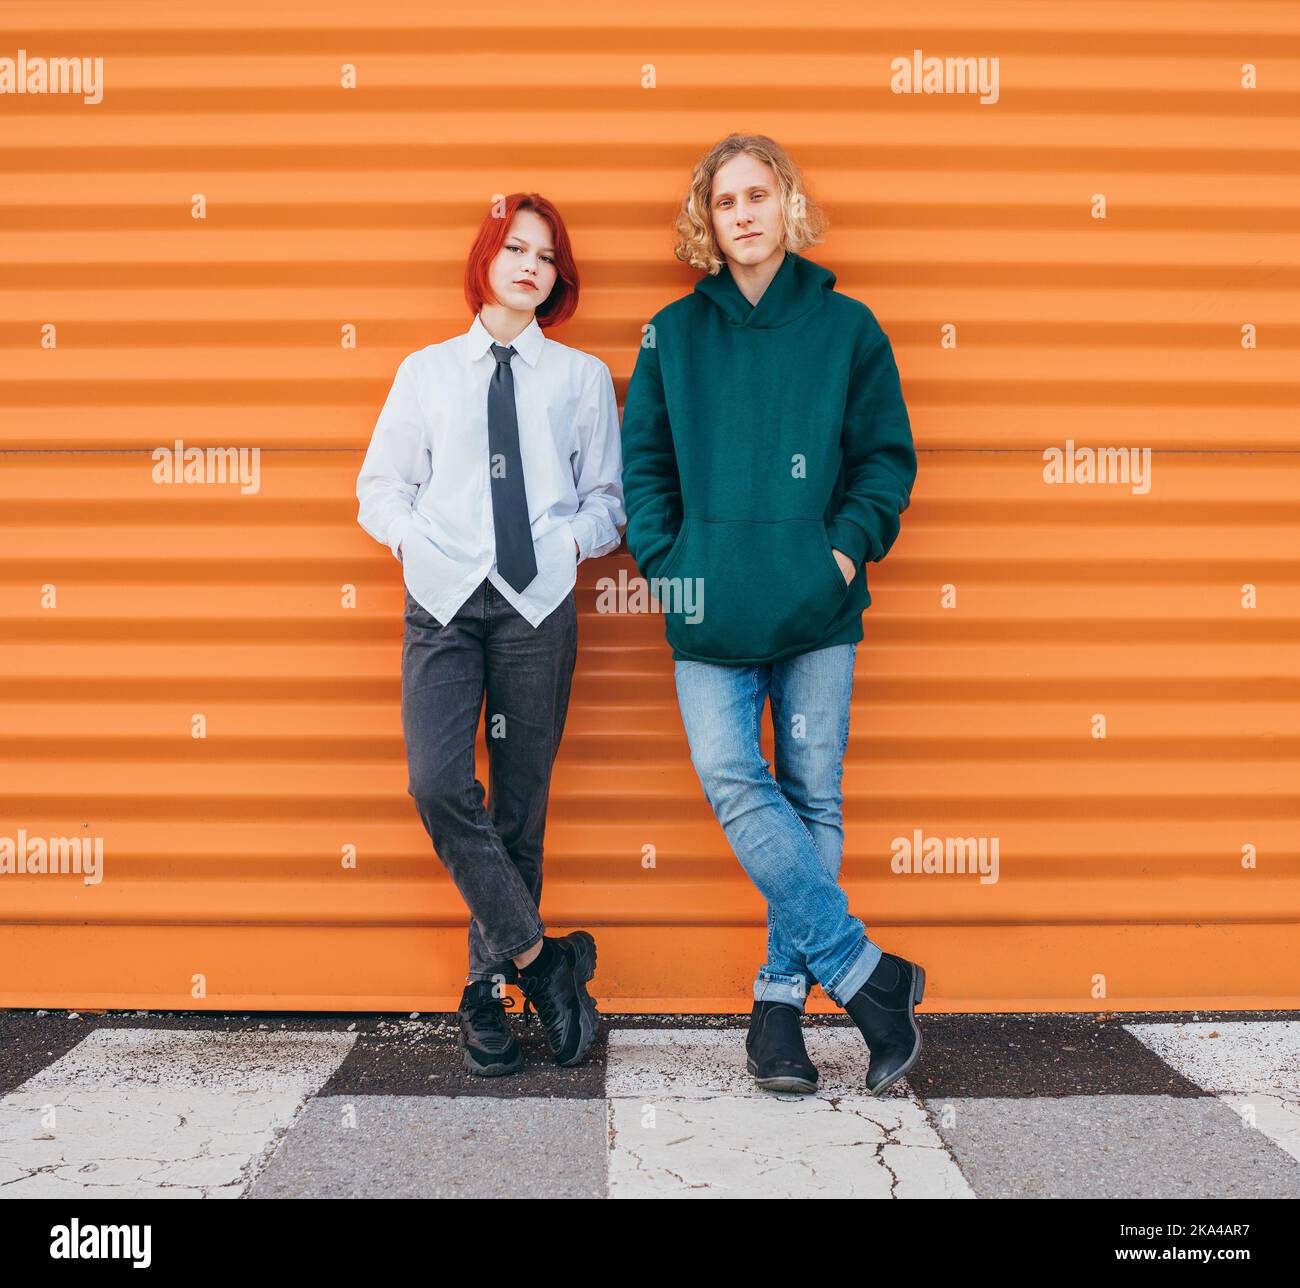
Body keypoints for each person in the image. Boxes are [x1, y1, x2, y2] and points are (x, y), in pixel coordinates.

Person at [620, 134, 923, 1096]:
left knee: (812, 794)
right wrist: (672, 568)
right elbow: (645, 473)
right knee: (730, 775)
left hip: (818, 610)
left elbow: (885, 458)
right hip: (706, 610)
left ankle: (779, 1007)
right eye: (725, 201)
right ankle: (869, 977)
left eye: (759, 195)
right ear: (705, 224)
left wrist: (839, 552)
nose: (743, 214)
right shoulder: (673, 333)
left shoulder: (848, 329)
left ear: (787, 205)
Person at [357, 193, 625, 1075]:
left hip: (535, 604)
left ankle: (489, 993)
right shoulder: (426, 373)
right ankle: (547, 963)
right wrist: (416, 544)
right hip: (442, 599)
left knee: (520, 808)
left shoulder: (580, 379)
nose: (529, 266)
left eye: (546, 257)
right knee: (438, 784)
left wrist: (562, 545)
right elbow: (380, 489)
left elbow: (609, 505)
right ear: (485, 257)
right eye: (515, 248)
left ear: (558, 279)